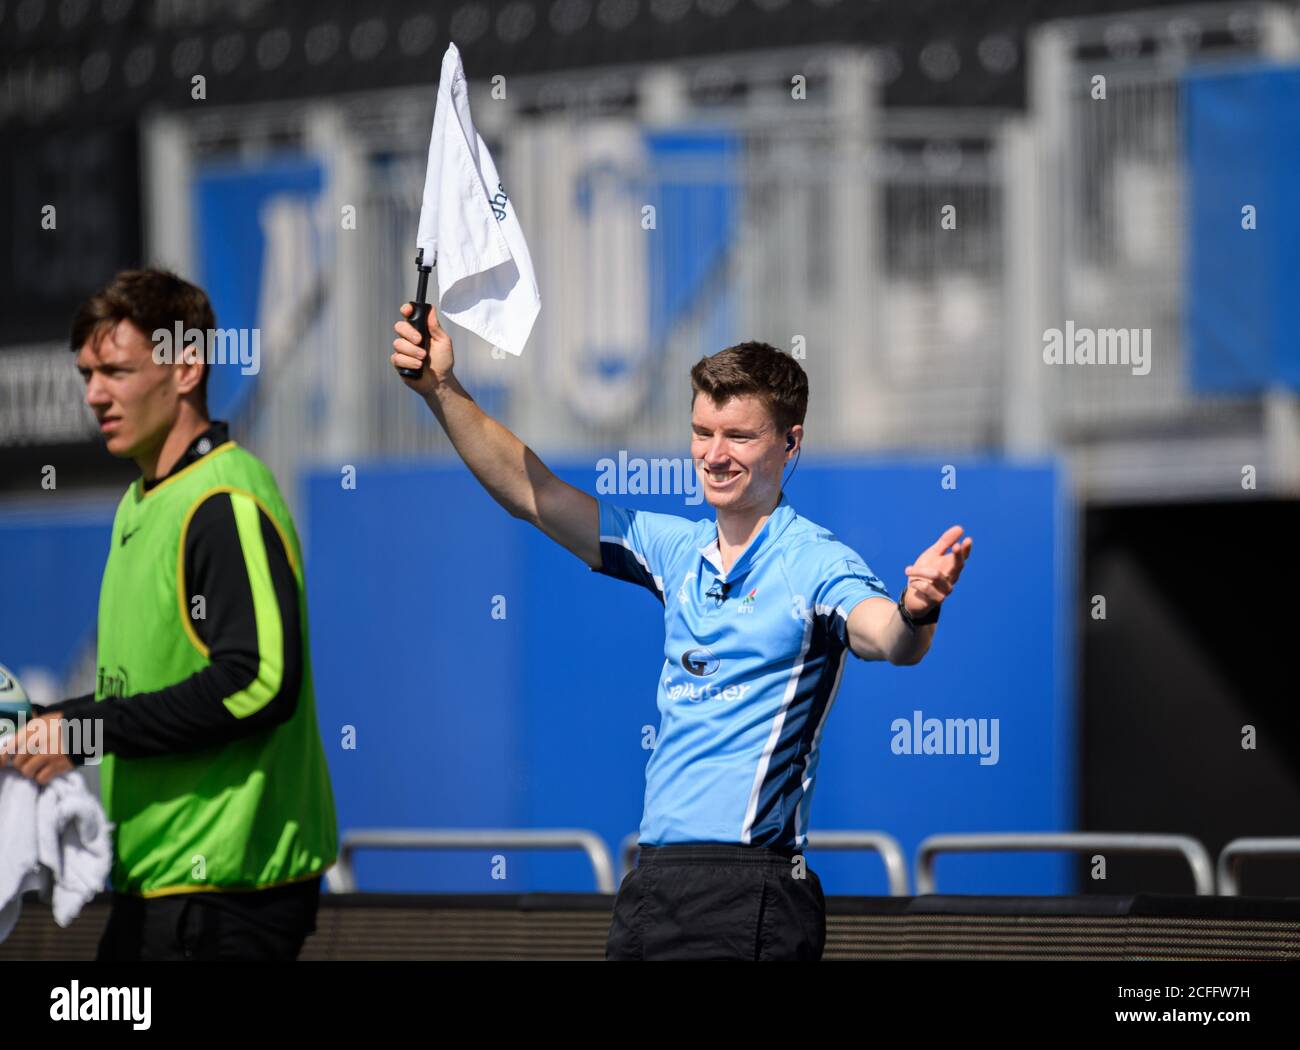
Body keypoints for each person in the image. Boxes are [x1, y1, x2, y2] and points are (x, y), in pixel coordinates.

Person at [389, 301, 972, 961]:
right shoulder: (672, 548)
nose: (714, 456)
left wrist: (918, 608)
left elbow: (889, 640)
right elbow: (537, 496)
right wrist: (440, 389)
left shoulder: (816, 560)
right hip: (655, 882)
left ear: (791, 442)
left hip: (752, 889)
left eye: (739, 437)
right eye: (702, 432)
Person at [0, 269, 338, 961]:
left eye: (116, 370)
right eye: (87, 372)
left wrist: (86, 729)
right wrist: (45, 726)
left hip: (227, 896)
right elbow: (145, 693)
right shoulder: (141, 502)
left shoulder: (224, 500)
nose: (94, 394)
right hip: (160, 887)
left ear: (186, 368)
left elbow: (260, 682)